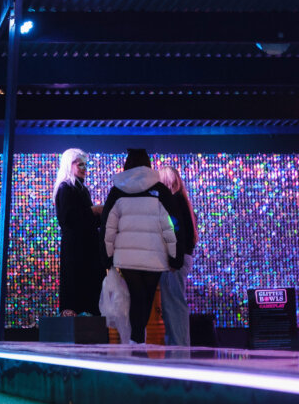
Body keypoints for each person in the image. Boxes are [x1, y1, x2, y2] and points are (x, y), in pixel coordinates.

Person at [102, 148, 179, 344]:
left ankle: (135, 340)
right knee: (146, 298)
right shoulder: (160, 190)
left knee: (137, 297)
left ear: (127, 164)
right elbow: (172, 226)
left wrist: (108, 256)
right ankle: (137, 339)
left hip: (126, 257)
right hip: (155, 257)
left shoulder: (117, 191)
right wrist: (174, 256)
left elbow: (108, 227)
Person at [53, 148, 106, 316]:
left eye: (85, 164)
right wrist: (94, 211)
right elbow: (69, 219)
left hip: (86, 248)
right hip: (76, 249)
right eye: (80, 164)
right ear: (69, 165)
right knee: (76, 285)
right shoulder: (66, 188)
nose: (84, 168)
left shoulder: (80, 188)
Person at [158, 165, 198, 346]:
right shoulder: (183, 201)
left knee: (173, 306)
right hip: (181, 259)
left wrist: (174, 259)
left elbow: (176, 233)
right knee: (173, 305)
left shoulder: (174, 202)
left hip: (175, 261)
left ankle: (178, 351)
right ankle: (178, 349)